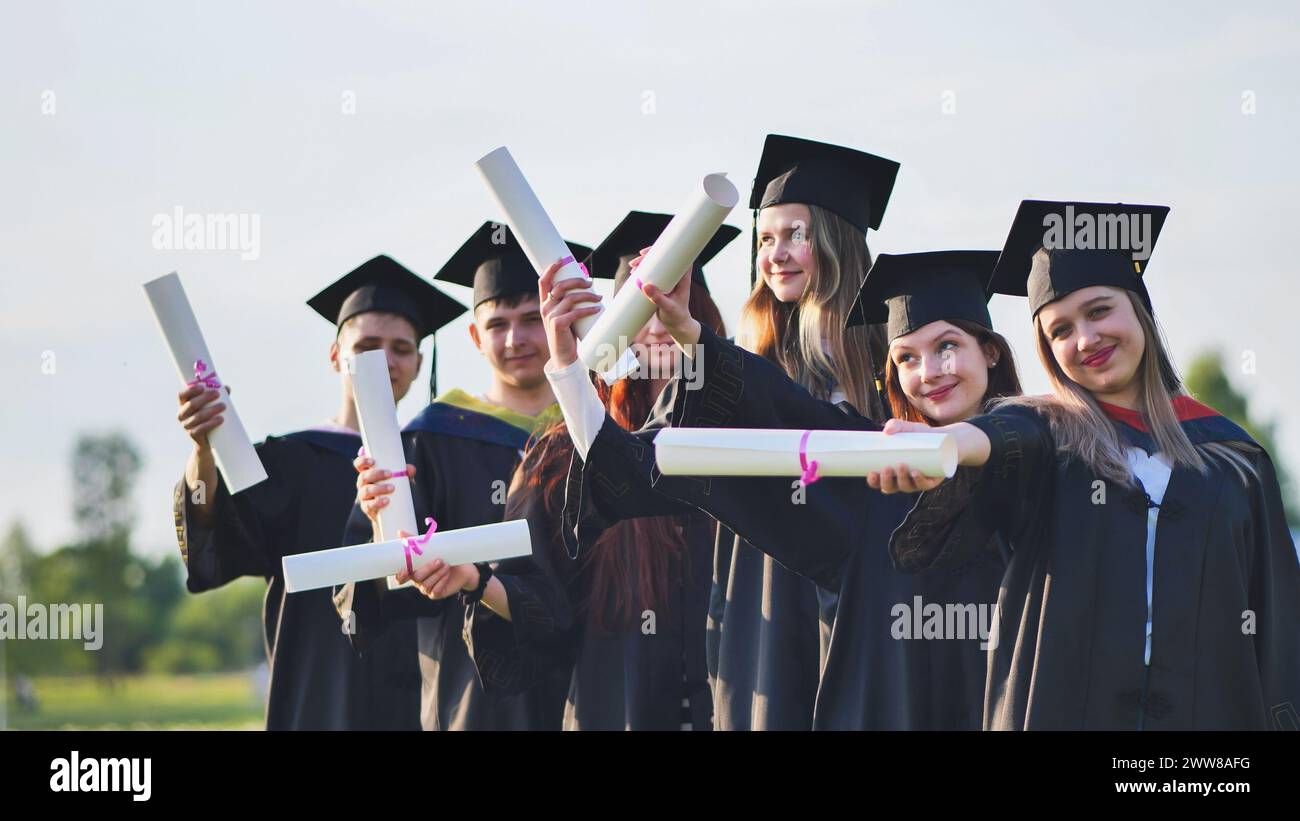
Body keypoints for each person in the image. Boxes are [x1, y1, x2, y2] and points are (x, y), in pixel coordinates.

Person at [545, 249, 1021, 728]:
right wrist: (676, 337)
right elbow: (780, 409)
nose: (929, 372)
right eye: (906, 358)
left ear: (992, 350)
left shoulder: (1048, 459)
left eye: (947, 346)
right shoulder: (871, 466)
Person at [872, 199, 1300, 730]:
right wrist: (947, 446)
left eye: (1099, 311)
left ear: (1138, 308)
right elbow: (999, 438)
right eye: (1059, 330)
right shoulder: (1050, 439)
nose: (1085, 340)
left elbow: (1279, 629)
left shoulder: (1234, 459)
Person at [416, 212, 736, 730]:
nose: (656, 326)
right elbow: (542, 604)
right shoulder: (562, 454)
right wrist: (474, 580)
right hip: (613, 710)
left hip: (733, 701)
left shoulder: (745, 446)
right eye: (639, 308)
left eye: (673, 304)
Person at [173, 254, 464, 729]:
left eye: (401, 348)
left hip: (421, 706)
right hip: (314, 697)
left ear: (418, 362)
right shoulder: (288, 461)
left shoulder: (438, 460)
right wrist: (204, 450)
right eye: (367, 345)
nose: (386, 360)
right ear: (335, 356)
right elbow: (216, 542)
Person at [339, 221, 588, 730]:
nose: (515, 339)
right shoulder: (430, 440)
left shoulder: (593, 433)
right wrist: (382, 527)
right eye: (497, 324)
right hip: (474, 701)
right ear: (475, 336)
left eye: (531, 318)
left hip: (593, 689)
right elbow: (374, 597)